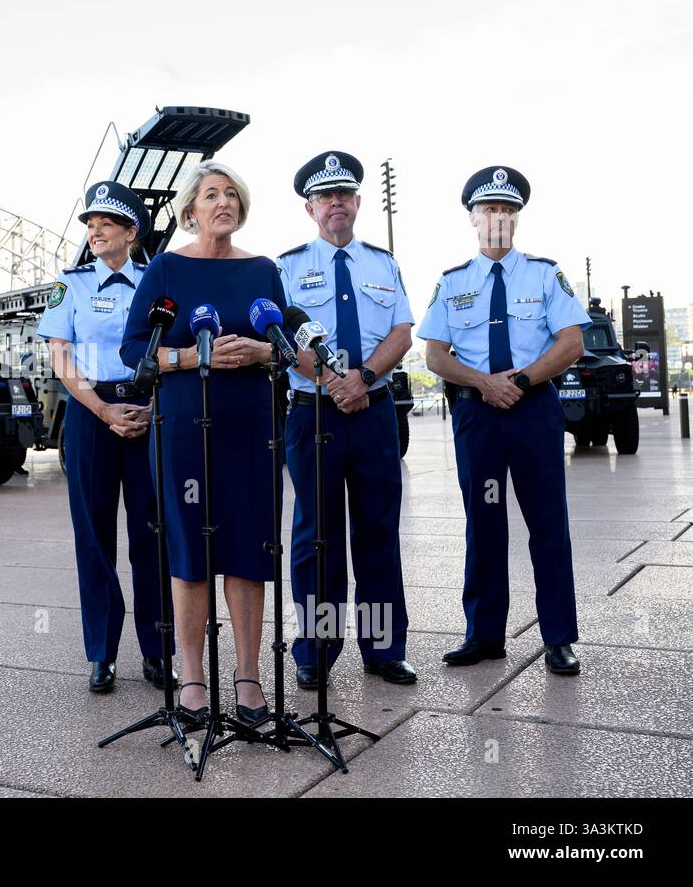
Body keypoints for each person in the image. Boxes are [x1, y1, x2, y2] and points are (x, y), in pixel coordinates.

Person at [120, 161, 284, 727]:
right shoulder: (165, 269)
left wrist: (266, 354)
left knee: (248, 547)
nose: (224, 202)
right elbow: (133, 350)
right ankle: (192, 677)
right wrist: (193, 357)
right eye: (212, 194)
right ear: (191, 209)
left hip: (251, 427)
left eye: (232, 194)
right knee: (190, 549)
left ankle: (247, 678)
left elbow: (284, 341)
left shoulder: (264, 271)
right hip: (185, 426)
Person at [417, 166, 588, 676]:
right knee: (484, 523)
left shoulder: (544, 274)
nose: (498, 218)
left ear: (517, 220)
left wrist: (523, 381)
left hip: (532, 411)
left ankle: (558, 637)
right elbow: (434, 355)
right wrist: (484, 382)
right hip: (478, 416)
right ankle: (485, 635)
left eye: (507, 211)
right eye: (489, 209)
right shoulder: (452, 282)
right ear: (472, 218)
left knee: (547, 524)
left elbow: (571, 342)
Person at [277, 151, 415, 689]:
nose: (336, 203)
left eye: (344, 194)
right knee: (318, 534)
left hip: (374, 413)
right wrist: (335, 382)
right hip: (313, 415)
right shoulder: (285, 268)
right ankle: (316, 648)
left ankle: (383, 649)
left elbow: (402, 332)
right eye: (324, 196)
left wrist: (364, 378)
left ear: (357, 203)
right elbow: (284, 340)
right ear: (311, 209)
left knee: (378, 531)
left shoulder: (385, 263)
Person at [37, 181, 173, 694]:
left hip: (148, 411)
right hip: (91, 412)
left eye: (106, 225)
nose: (95, 232)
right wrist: (101, 409)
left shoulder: (158, 285)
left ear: (130, 233)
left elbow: (171, 351)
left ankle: (159, 651)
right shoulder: (70, 284)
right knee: (94, 537)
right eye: (91, 225)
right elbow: (61, 355)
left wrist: (151, 406)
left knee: (153, 534)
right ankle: (102, 653)